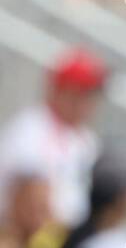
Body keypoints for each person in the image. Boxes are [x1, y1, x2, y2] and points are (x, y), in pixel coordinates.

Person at [0, 49, 107, 230]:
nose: (88, 102)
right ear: (61, 90)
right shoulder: (31, 127)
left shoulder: (87, 140)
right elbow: (27, 200)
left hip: (63, 241)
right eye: (83, 92)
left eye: (91, 94)